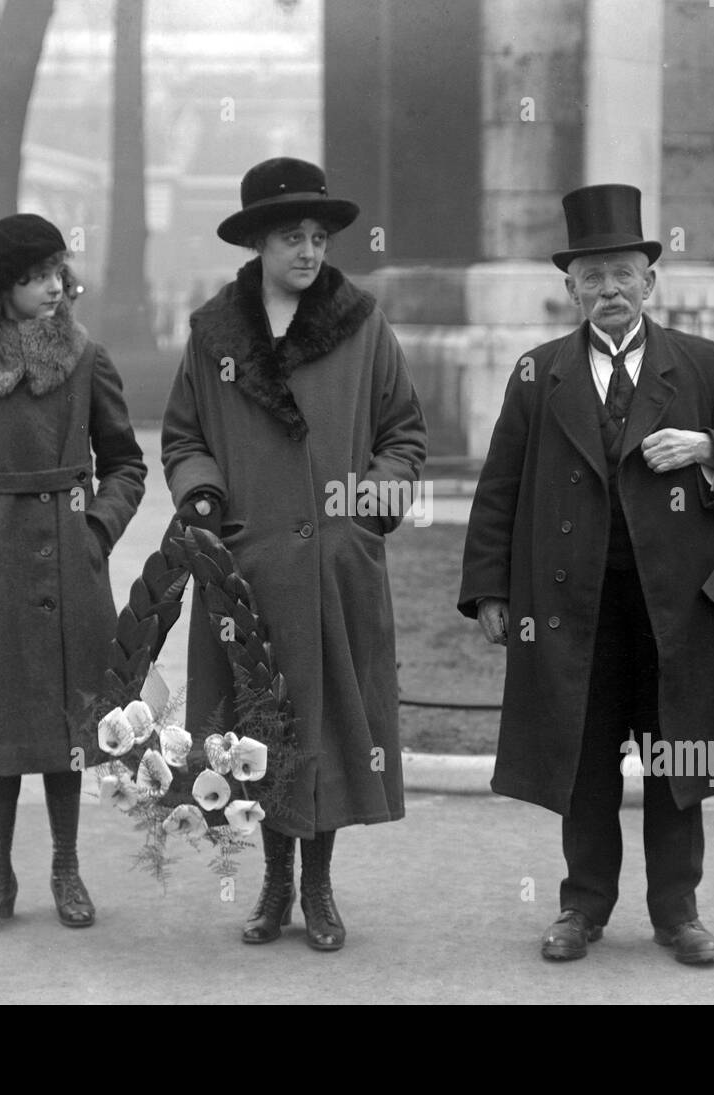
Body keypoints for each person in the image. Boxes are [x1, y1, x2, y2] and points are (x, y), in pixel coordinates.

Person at [458, 184, 714, 964]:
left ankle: (678, 910)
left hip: (678, 609)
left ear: (650, 282)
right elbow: (499, 486)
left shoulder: (700, 365)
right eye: (593, 277)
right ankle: (582, 907)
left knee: (678, 761)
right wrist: (492, 590)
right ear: (570, 289)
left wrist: (707, 446)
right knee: (583, 759)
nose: (610, 290)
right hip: (574, 607)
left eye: (624, 275)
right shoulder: (539, 374)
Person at [162, 157, 427, 951]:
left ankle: (320, 885)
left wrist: (366, 512)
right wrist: (203, 498)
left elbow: (404, 436)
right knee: (257, 729)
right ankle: (274, 884)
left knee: (329, 727)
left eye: (318, 237)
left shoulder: (361, 323)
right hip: (248, 572)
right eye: (291, 238)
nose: (309, 252)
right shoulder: (214, 335)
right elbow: (184, 436)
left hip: (334, 569)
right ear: (257, 243)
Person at [0, 213, 147, 936]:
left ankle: (66, 866)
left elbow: (127, 462)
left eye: (54, 272)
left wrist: (97, 530)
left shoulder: (85, 357)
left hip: (71, 568)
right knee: (0, 728)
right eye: (31, 277)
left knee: (69, 727)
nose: (50, 287)